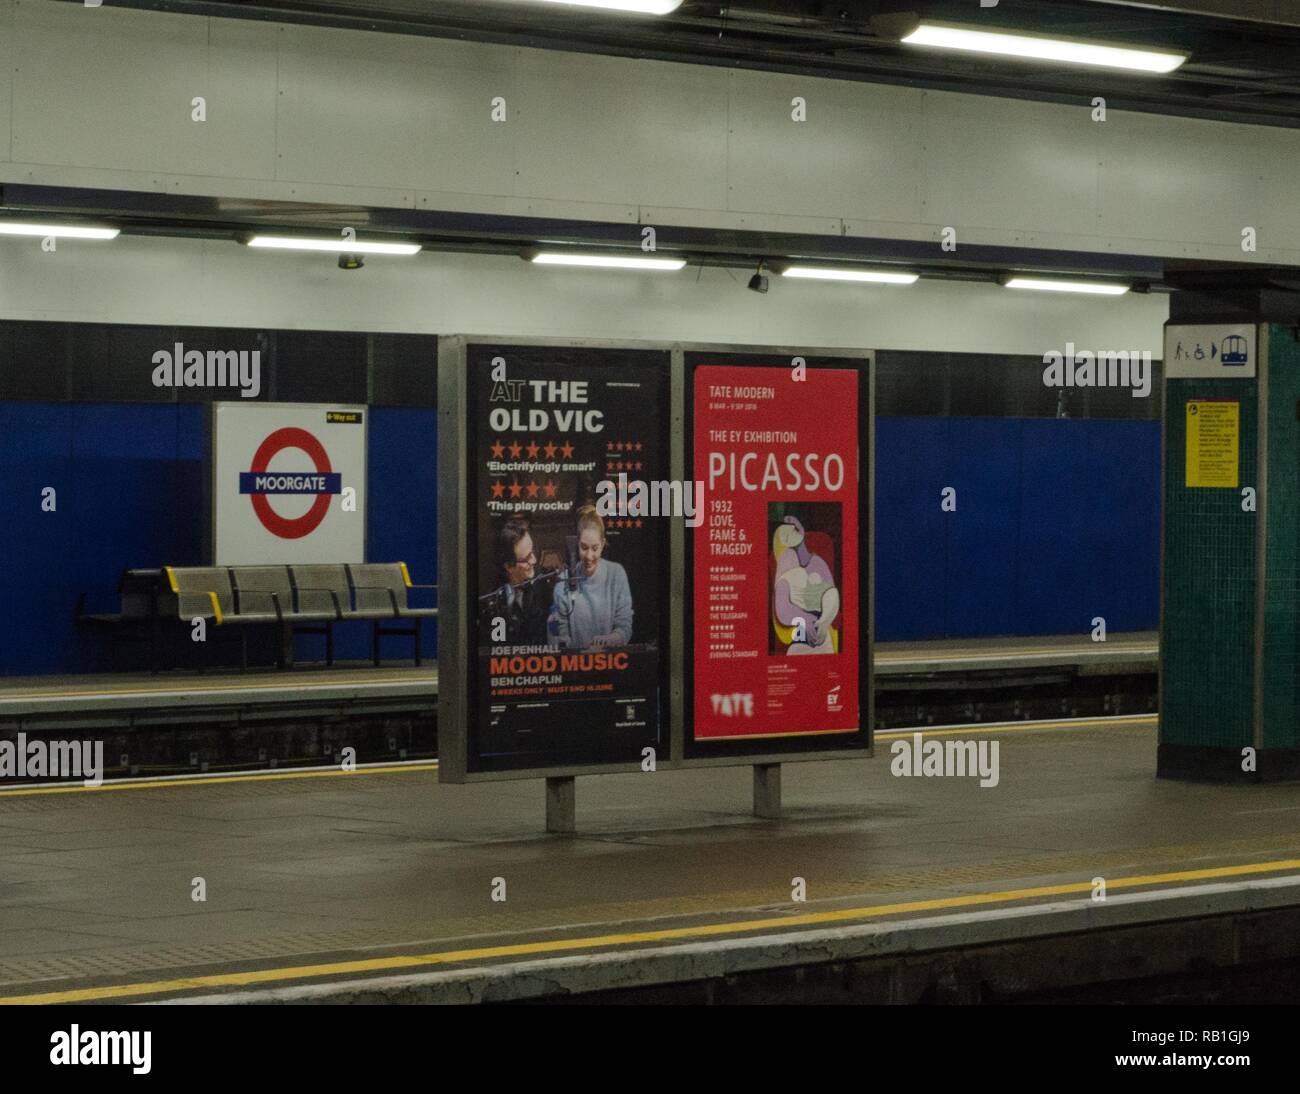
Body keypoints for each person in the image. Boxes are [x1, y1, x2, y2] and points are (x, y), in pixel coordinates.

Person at [549, 505, 633, 650]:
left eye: (595, 548)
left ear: (603, 544)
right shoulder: (563, 584)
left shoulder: (617, 574)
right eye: (584, 547)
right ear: (577, 544)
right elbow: (559, 637)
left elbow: (624, 628)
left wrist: (608, 640)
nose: (589, 556)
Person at [480, 515, 552, 646]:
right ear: (509, 566)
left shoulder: (543, 587)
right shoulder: (493, 603)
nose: (534, 560)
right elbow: (497, 649)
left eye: (533, 552)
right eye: (527, 558)